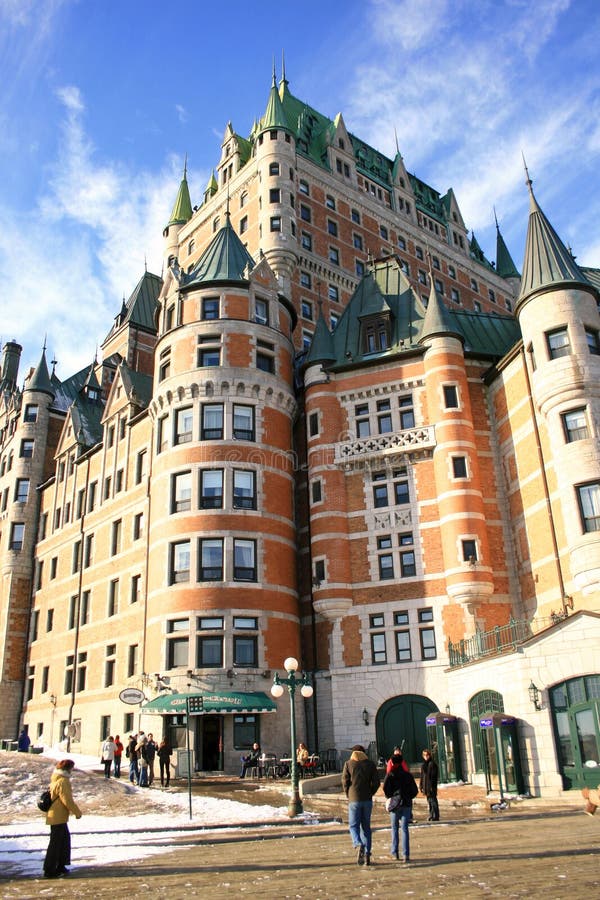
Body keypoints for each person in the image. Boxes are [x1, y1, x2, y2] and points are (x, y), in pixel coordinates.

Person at [341, 744, 380, 866]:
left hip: (354, 799)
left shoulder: (348, 764)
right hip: (367, 799)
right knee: (366, 827)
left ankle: (358, 843)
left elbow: (344, 781)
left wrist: (348, 793)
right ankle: (367, 853)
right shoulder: (370, 764)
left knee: (353, 826)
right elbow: (377, 782)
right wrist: (371, 792)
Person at [43, 758, 82, 879]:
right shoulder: (63, 781)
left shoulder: (55, 778)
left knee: (63, 841)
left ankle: (60, 865)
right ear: (67, 769)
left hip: (55, 815)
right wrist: (77, 812)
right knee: (56, 843)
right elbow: (67, 800)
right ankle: (50, 869)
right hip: (58, 816)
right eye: (71, 768)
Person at [383, 751, 418, 865]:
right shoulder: (408, 775)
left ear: (392, 763)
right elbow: (414, 790)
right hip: (406, 803)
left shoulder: (390, 775)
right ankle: (406, 854)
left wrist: (391, 797)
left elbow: (385, 789)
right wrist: (407, 797)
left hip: (395, 804)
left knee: (394, 828)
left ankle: (394, 852)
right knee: (405, 829)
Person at [420, 748, 439, 821]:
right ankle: (431, 814)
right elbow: (422, 776)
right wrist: (421, 785)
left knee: (433, 800)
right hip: (426, 786)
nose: (426, 756)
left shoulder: (432, 764)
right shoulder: (424, 765)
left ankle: (435, 815)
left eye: (427, 755)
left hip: (431, 786)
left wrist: (431, 786)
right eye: (424, 755)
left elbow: (433, 777)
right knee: (429, 801)